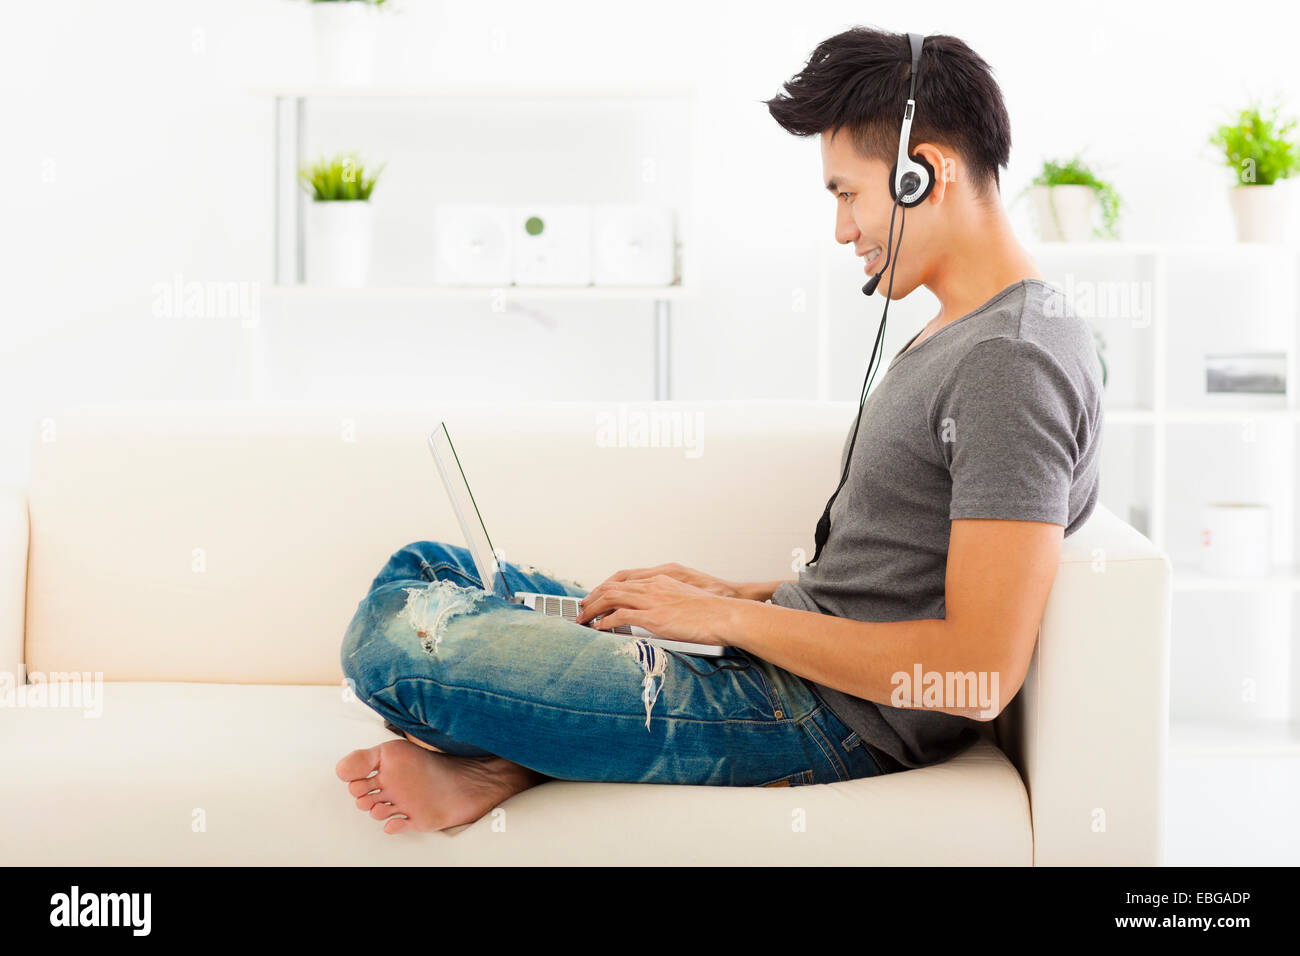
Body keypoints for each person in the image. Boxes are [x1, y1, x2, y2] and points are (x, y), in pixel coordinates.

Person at [335, 26, 1103, 834]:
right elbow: (884, 587)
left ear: (925, 174)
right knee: (426, 568)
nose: (843, 230)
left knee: (396, 645)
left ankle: (517, 755)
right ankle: (533, 746)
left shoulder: (1011, 362)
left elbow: (976, 672)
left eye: (847, 193)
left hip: (821, 718)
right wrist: (731, 595)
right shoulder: (965, 332)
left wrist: (727, 622)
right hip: (779, 660)